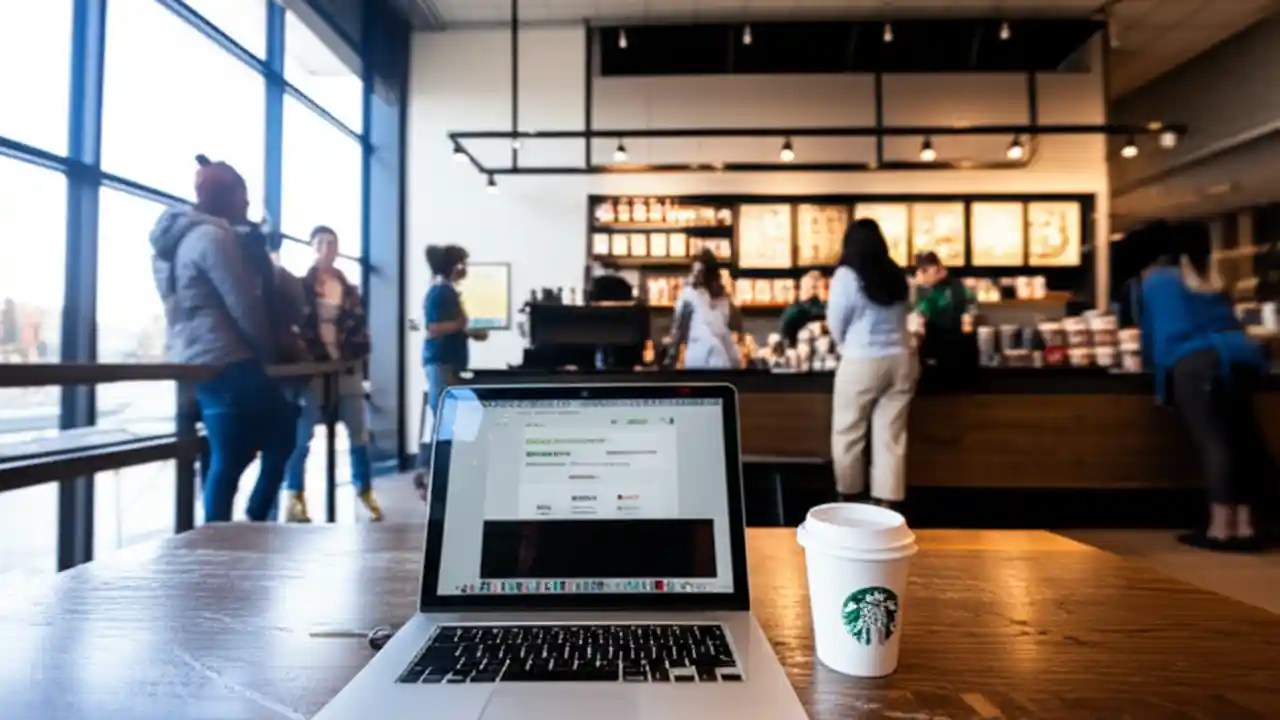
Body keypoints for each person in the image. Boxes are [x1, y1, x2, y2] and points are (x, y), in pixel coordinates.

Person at [149, 155, 297, 523]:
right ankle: (252, 521)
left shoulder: (173, 244)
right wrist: (265, 352)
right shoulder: (214, 238)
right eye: (241, 194)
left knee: (227, 455)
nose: (247, 203)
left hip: (195, 361)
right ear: (225, 196)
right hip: (228, 357)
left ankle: (217, 539)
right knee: (281, 430)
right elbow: (243, 302)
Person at [1141, 222, 1272, 552]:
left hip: (1196, 364)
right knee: (1242, 442)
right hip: (1239, 358)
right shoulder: (1215, 277)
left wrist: (1157, 378)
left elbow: (1158, 335)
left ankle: (1219, 529)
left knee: (1213, 444)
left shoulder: (1158, 281)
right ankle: (1245, 526)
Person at [283, 226, 382, 523]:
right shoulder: (301, 287)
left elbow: (360, 328)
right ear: (312, 247)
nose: (327, 248)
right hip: (314, 369)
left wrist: (357, 356)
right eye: (321, 243)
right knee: (302, 436)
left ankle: (364, 490)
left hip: (346, 368)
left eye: (332, 243)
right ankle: (294, 496)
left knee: (358, 433)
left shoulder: (349, 290)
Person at [827, 219, 916, 507]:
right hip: (901, 359)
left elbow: (836, 322)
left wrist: (843, 345)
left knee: (848, 432)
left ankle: (850, 498)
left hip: (861, 359)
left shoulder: (847, 276)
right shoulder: (897, 274)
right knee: (891, 436)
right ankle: (887, 505)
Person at [413, 245, 485, 497]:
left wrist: (468, 332)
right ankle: (430, 474)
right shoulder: (440, 292)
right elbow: (434, 327)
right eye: (462, 263)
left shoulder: (448, 291)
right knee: (445, 417)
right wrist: (460, 325)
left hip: (448, 362)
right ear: (453, 265)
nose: (465, 268)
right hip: (441, 362)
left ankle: (435, 473)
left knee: (448, 417)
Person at [671, 249, 742, 369]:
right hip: (717, 359)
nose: (694, 276)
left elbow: (678, 331)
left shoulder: (688, 296)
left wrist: (671, 359)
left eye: (697, 272)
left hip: (699, 356)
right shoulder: (721, 299)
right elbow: (727, 335)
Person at [912, 251, 974, 369]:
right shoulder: (924, 289)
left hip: (949, 347)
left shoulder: (954, 287)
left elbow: (955, 314)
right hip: (937, 346)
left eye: (926, 270)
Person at [779, 270, 827, 346]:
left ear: (812, 289)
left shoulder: (794, 311)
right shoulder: (830, 311)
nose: (799, 292)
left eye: (801, 288)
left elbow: (784, 333)